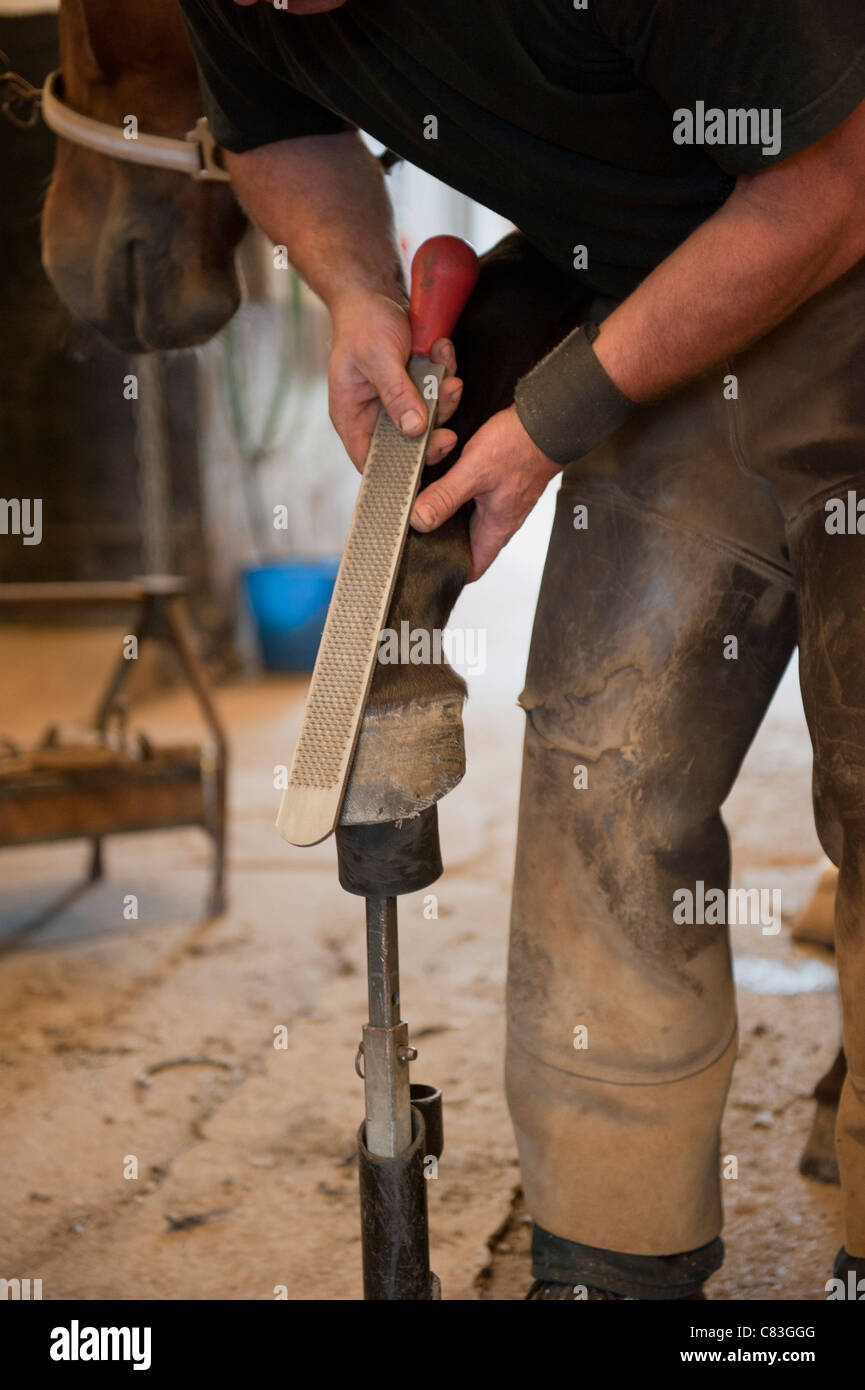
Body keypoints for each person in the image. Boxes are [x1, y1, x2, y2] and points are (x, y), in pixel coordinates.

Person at [178, 0, 865, 1299]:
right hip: (667, 297)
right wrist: (356, 290)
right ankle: (610, 1249)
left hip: (830, 238)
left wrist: (552, 413)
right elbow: (274, 132)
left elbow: (833, 178)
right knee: (609, 756)